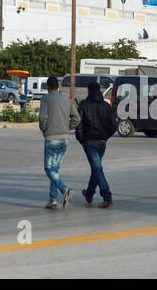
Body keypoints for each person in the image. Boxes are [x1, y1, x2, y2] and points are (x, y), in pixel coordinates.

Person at [38, 76, 79, 209]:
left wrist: (45, 130)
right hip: (64, 139)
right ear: (59, 86)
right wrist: (68, 128)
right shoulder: (67, 100)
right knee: (55, 169)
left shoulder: (46, 99)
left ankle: (64, 189)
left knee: (48, 168)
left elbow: (43, 117)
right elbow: (77, 118)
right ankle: (53, 200)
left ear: (48, 87)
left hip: (51, 138)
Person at [77, 84, 116, 208]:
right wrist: (105, 136)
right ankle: (89, 193)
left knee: (97, 169)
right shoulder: (106, 106)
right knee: (96, 168)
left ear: (88, 91)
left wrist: (81, 139)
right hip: (102, 142)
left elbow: (79, 125)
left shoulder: (83, 104)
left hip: (90, 142)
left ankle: (107, 197)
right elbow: (114, 126)